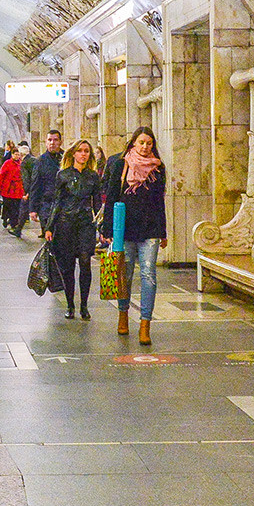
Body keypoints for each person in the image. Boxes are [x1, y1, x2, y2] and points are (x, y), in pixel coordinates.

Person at [100, 126, 167, 346]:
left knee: (148, 274)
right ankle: (123, 314)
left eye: (149, 143)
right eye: (141, 143)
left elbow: (160, 202)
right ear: (133, 143)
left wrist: (163, 231)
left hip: (150, 229)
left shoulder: (158, 168)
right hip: (124, 229)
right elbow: (110, 197)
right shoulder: (121, 164)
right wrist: (107, 229)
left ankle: (145, 323)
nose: (145, 147)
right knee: (124, 273)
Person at [47, 140, 104, 320]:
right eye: (79, 151)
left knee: (86, 263)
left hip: (85, 224)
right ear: (73, 154)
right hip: (65, 224)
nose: (83, 154)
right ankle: (70, 305)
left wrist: (102, 227)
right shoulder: (62, 175)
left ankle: (84, 306)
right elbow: (57, 202)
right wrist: (49, 227)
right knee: (68, 267)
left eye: (86, 151)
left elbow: (98, 204)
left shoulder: (93, 177)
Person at [26, 130, 63, 235]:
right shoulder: (40, 161)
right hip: (46, 204)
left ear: (60, 142)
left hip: (64, 205)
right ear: (46, 142)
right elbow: (35, 184)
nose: (52, 143)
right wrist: (33, 208)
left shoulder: (67, 158)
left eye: (55, 140)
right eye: (50, 140)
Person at [0, 145, 26, 236]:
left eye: (18, 154)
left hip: (18, 189)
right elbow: (1, 175)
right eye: (15, 154)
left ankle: (14, 223)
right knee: (8, 206)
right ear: (12, 154)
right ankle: (6, 219)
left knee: (16, 207)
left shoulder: (22, 164)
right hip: (8, 188)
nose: (17, 156)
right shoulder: (7, 163)